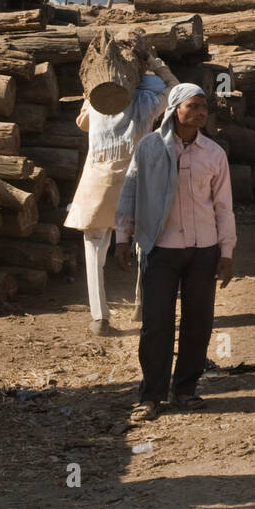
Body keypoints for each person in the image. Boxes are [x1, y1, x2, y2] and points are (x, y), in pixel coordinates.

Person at [115, 84, 235, 423]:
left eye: (203, 107)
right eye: (192, 106)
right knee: (156, 324)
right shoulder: (150, 148)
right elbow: (130, 193)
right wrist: (122, 239)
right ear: (175, 109)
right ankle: (151, 395)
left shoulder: (213, 154)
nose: (199, 112)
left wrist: (226, 251)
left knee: (198, 323)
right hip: (161, 248)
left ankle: (186, 390)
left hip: (203, 249)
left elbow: (224, 207)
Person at [65, 35, 176, 336]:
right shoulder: (148, 99)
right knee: (144, 243)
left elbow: (82, 122)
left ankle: (99, 317)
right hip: (137, 180)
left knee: (94, 248)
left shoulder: (95, 102)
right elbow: (176, 90)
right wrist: (155, 63)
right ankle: (142, 304)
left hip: (98, 182)